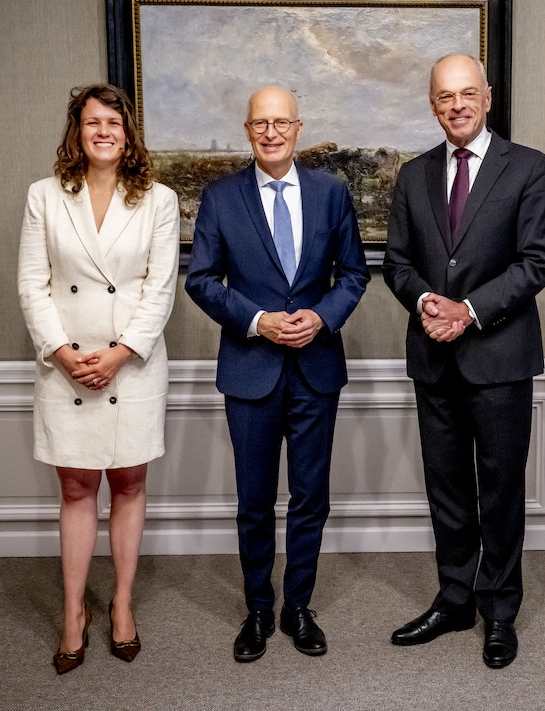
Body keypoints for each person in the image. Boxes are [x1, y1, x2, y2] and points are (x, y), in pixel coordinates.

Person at [382, 54, 545, 669]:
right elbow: (396, 263)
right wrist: (429, 301)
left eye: (466, 93)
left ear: (487, 96)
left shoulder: (529, 168)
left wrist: (469, 310)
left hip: (500, 358)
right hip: (433, 359)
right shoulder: (413, 175)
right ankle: (455, 599)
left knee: (501, 491)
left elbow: (537, 261)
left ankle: (499, 611)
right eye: (442, 96)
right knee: (448, 490)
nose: (455, 105)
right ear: (432, 105)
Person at [185, 86, 369, 663]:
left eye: (281, 123)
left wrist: (321, 316)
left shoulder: (331, 192)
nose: (271, 132)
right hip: (251, 370)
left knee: (311, 497)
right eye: (260, 123)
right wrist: (258, 320)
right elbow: (201, 279)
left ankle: (298, 607)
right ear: (247, 130)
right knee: (255, 500)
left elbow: (355, 275)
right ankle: (259, 609)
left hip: (316, 369)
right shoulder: (221, 198)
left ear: (298, 128)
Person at [18, 84, 180, 674]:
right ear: (77, 132)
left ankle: (121, 604)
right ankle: (71, 613)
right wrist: (63, 353)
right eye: (92, 122)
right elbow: (33, 284)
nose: (103, 131)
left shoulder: (159, 200)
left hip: (131, 365)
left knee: (130, 483)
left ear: (128, 132)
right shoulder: (44, 195)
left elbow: (160, 289)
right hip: (66, 366)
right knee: (77, 488)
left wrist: (117, 354)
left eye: (113, 121)